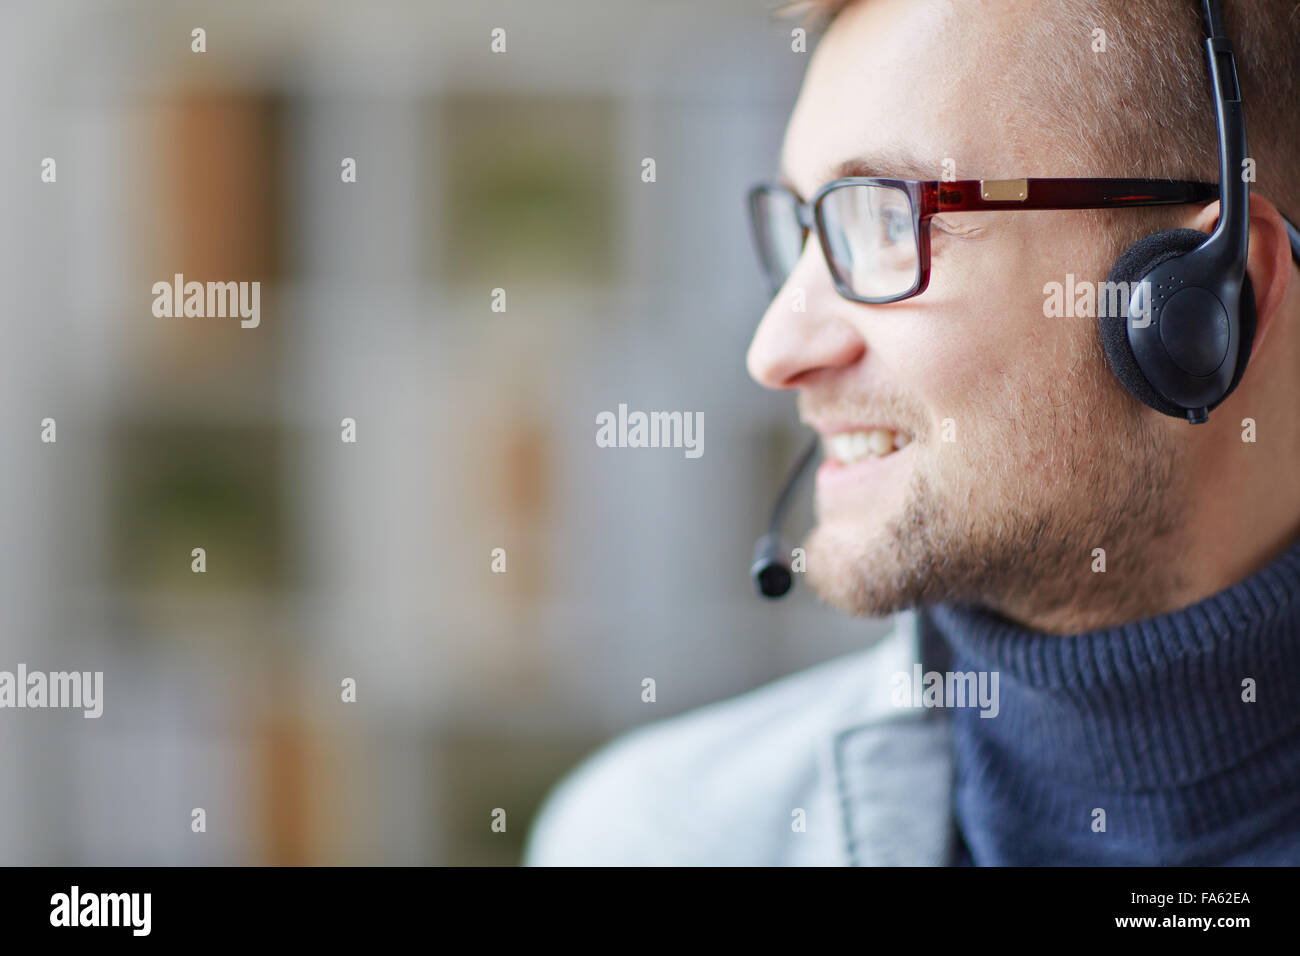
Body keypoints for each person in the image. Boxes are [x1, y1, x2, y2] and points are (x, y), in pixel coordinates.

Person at [524, 0, 1300, 865]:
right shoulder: (649, 839)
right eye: (807, 227)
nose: (775, 351)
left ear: (1213, 298)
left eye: (890, 221)